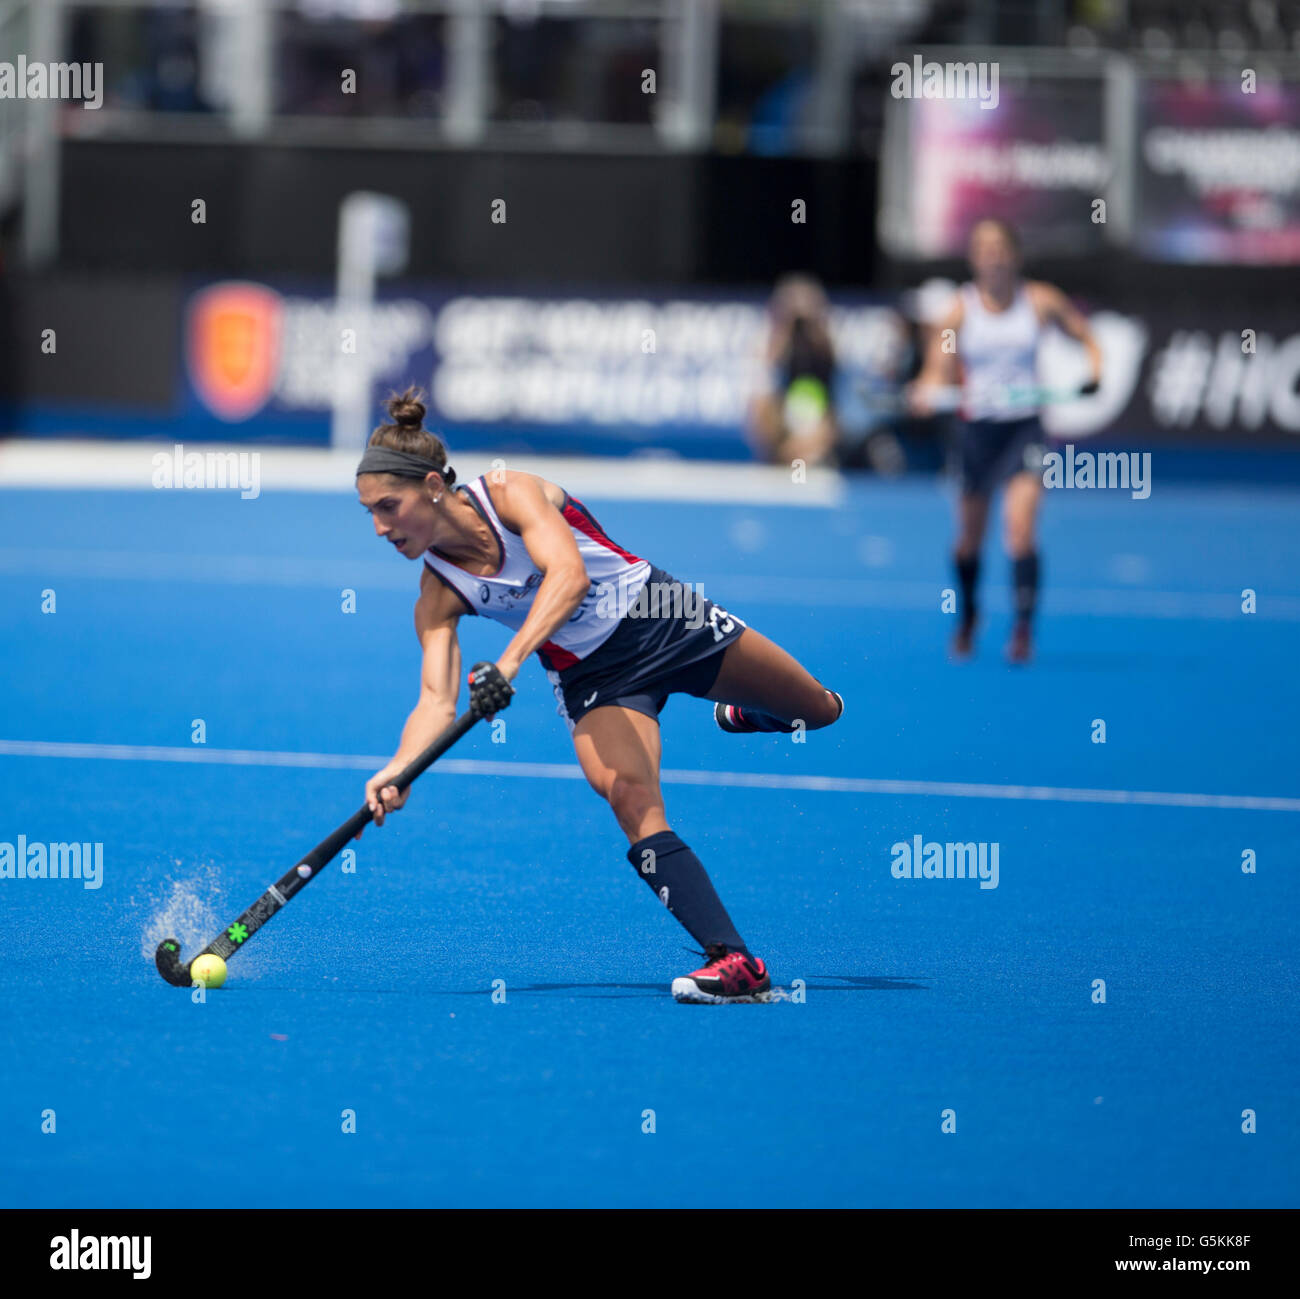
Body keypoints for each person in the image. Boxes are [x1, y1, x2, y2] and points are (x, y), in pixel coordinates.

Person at [353, 388, 845, 1003]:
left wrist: (509, 661)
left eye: (388, 507)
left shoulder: (508, 492)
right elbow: (435, 700)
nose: (379, 528)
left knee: (818, 712)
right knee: (626, 793)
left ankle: (749, 711)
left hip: (662, 616)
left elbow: (569, 575)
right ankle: (736, 962)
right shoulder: (437, 592)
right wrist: (400, 768)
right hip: (595, 678)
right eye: (369, 514)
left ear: (431, 485)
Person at [909, 219, 1102, 663]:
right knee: (968, 541)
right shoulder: (958, 311)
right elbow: (939, 365)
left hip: (1025, 429)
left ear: (1014, 254)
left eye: (1000, 247)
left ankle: (1022, 629)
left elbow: (1085, 336)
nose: (992, 256)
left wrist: (1094, 370)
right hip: (977, 432)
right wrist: (926, 388)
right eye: (983, 248)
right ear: (974, 258)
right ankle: (970, 614)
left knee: (1019, 530)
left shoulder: (1041, 301)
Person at [747, 274, 841, 468]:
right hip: (780, 451)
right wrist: (783, 448)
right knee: (794, 474)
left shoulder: (827, 356)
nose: (800, 331)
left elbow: (836, 417)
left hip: (816, 449)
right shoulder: (765, 356)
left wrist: (807, 445)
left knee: (804, 474)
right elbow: (760, 412)